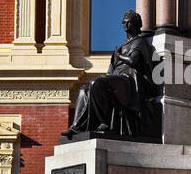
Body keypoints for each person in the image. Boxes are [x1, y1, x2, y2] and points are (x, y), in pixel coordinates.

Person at [65, 9, 161, 140]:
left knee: (96, 83)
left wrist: (119, 56)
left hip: (130, 80)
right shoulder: (122, 46)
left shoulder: (139, 42)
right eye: (124, 23)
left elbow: (133, 61)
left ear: (136, 25)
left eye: (129, 23)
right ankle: (76, 127)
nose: (125, 26)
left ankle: (105, 123)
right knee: (84, 90)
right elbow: (110, 71)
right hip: (118, 79)